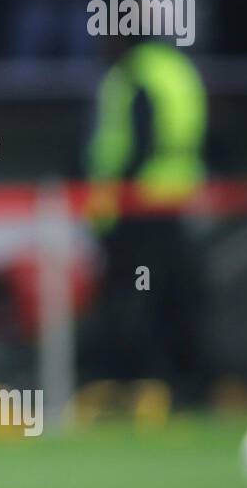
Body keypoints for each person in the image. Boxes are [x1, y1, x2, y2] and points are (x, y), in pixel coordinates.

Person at [84, 34, 209, 408]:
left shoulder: (134, 75)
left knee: (136, 302)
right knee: (175, 299)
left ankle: (142, 388)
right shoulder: (177, 69)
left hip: (137, 209)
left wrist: (112, 206)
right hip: (176, 201)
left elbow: (137, 143)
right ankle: (184, 390)